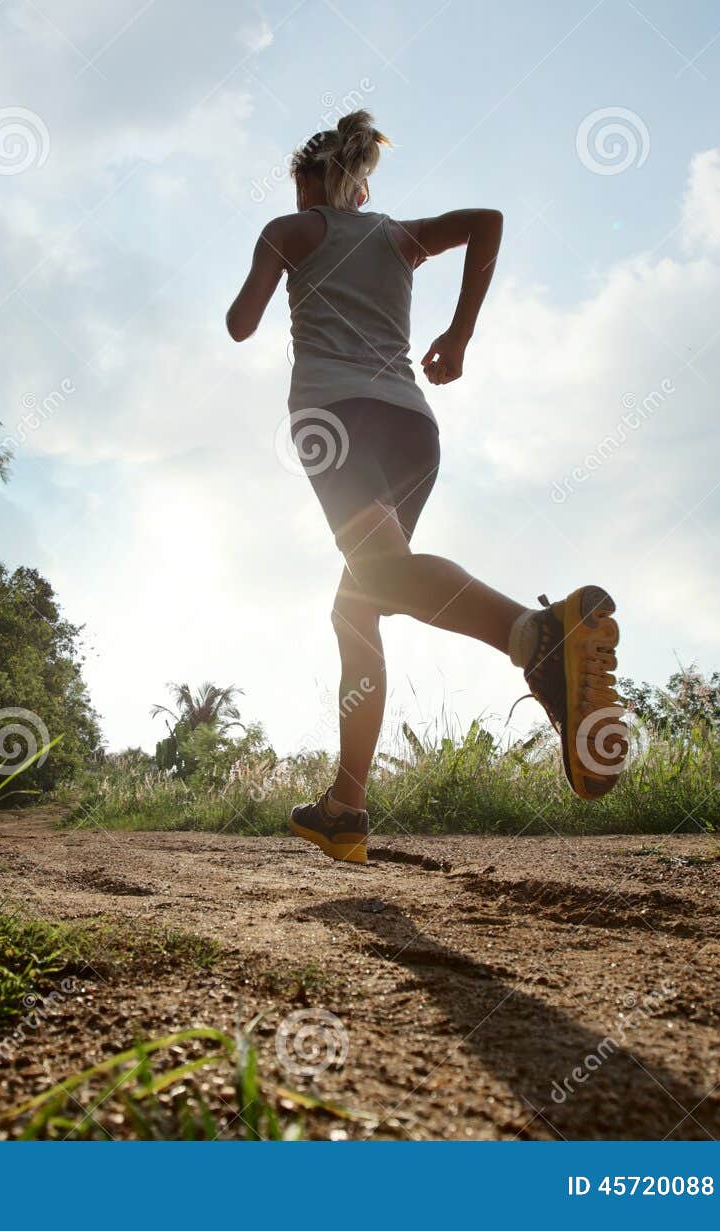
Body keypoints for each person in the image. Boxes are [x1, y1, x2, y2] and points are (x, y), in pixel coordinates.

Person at [225, 110, 625, 865]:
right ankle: (345, 806)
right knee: (359, 604)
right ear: (360, 177)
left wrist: (269, 270)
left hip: (333, 420)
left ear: (310, 180)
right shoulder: (396, 236)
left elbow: (240, 323)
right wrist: (459, 334)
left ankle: (536, 636)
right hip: (413, 427)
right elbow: (486, 222)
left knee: (376, 579)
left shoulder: (291, 228)